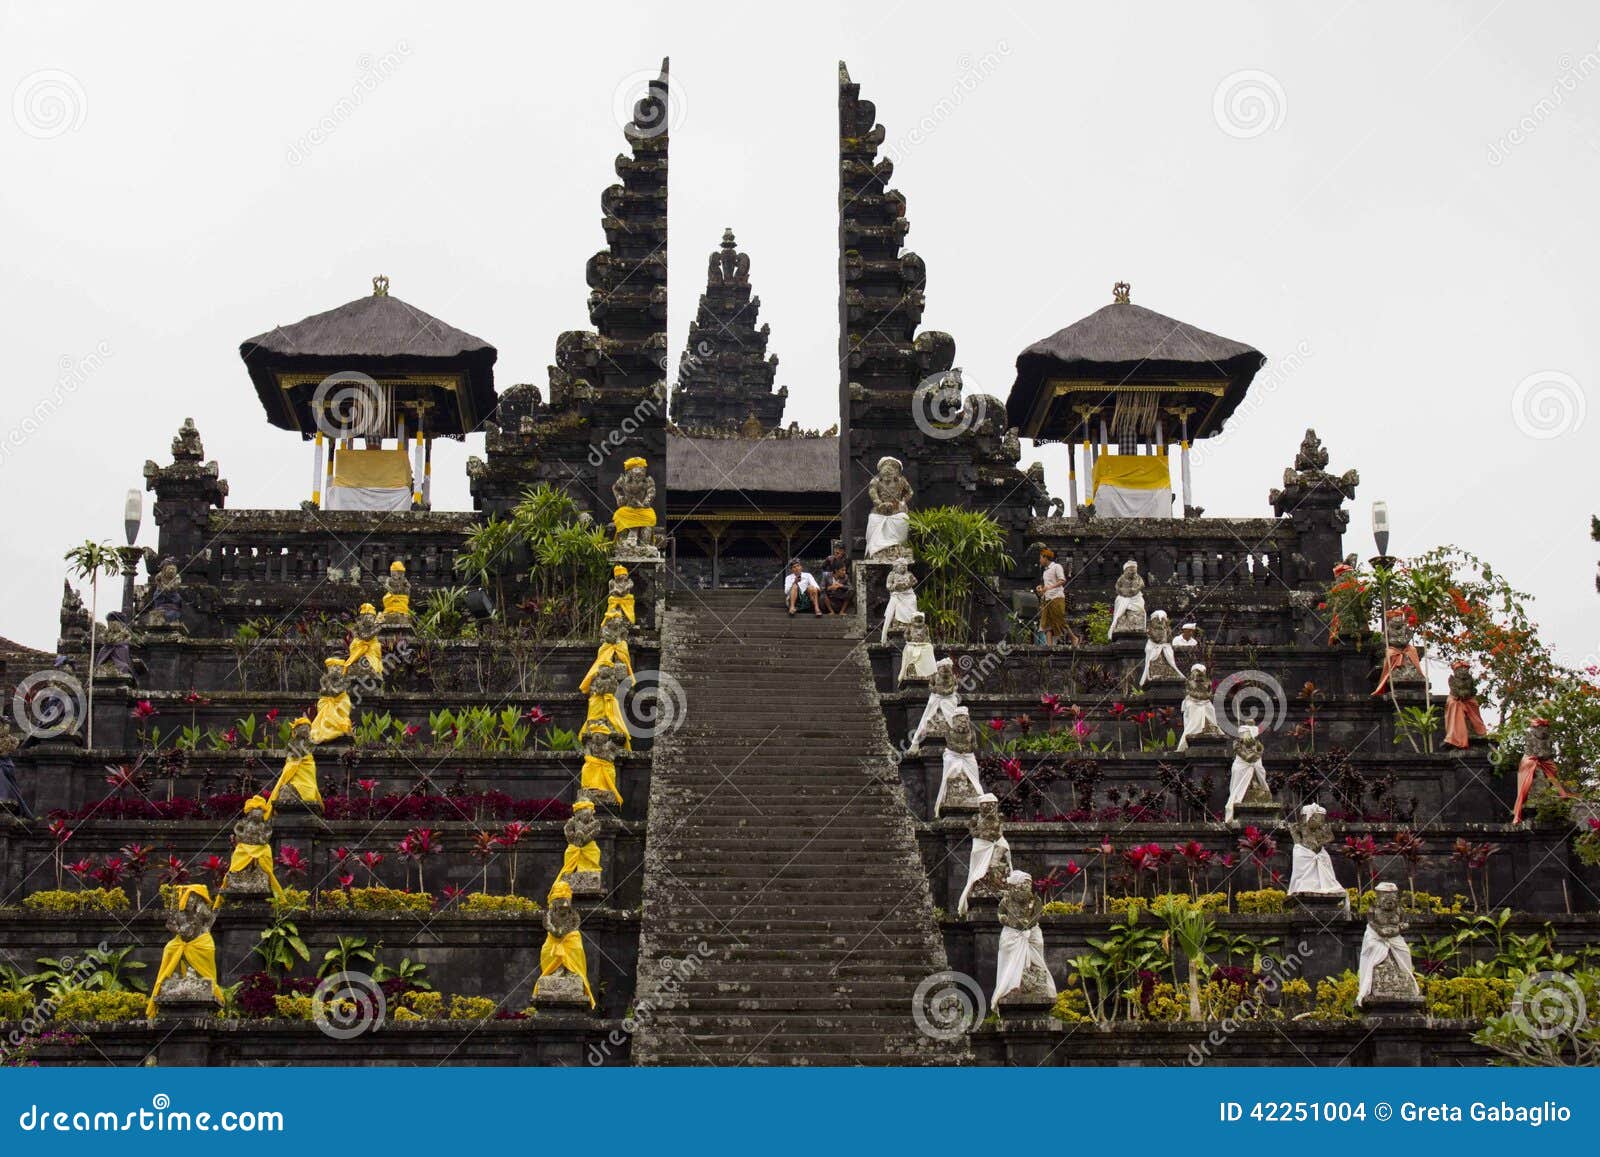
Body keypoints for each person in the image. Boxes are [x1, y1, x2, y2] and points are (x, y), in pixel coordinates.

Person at [1036, 548, 1075, 645]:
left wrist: (1048, 587)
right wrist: (1041, 589)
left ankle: (1073, 638)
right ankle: (1049, 647)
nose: (1040, 560)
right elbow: (1046, 587)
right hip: (1047, 598)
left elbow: (1062, 580)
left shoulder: (1056, 567)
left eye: (1041, 558)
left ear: (1045, 557)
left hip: (1057, 597)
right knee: (1047, 624)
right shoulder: (1045, 572)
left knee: (1059, 620)